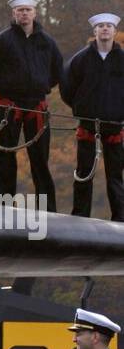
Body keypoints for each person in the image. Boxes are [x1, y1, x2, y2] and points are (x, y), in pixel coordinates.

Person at [0, 0, 63, 211]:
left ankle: (47, 208)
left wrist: (42, 85)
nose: (24, 13)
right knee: (5, 154)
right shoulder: (3, 41)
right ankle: (3, 203)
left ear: (34, 13)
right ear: (14, 14)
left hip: (37, 105)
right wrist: (6, 88)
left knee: (40, 158)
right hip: (9, 105)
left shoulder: (47, 42)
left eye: (27, 10)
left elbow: (58, 70)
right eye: (20, 10)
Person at [61, 13, 124, 222]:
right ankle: (80, 216)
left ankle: (121, 218)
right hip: (88, 125)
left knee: (115, 176)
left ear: (115, 31)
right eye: (101, 26)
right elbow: (67, 86)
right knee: (83, 172)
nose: (105, 29)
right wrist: (81, 109)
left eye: (108, 26)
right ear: (94, 31)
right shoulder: (81, 59)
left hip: (115, 125)